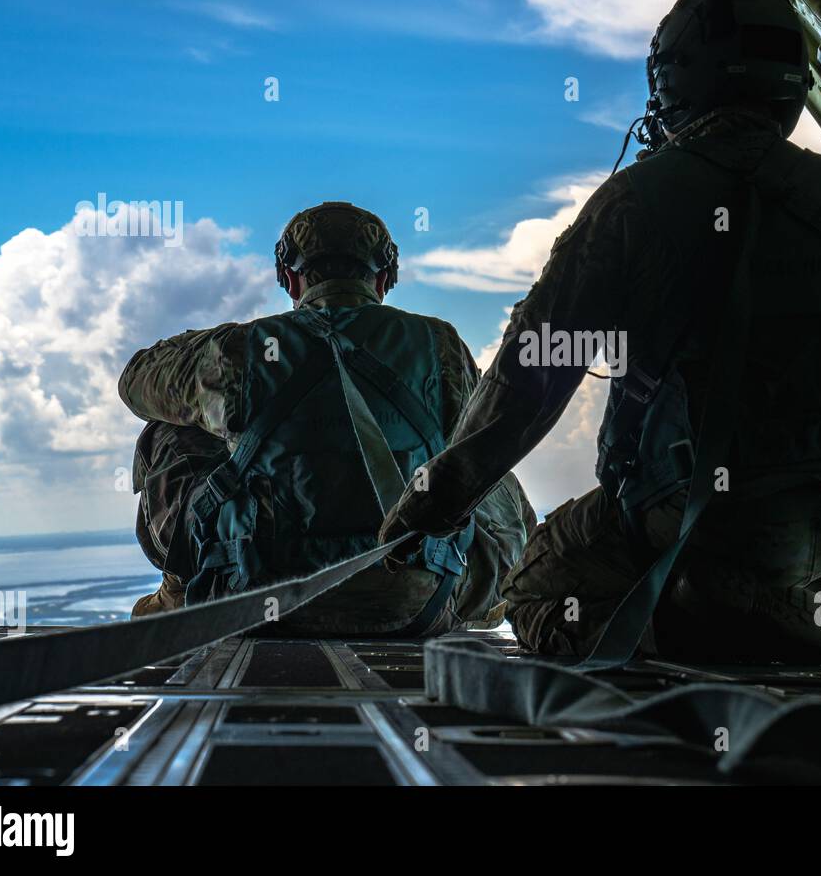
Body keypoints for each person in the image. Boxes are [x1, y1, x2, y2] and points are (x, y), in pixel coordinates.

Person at [379, 0, 821, 662]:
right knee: (785, 533)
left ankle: (692, 622)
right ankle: (815, 609)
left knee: (535, 587)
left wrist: (431, 501)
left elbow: (528, 381)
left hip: (707, 511)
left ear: (674, 81)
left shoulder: (631, 204)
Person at [120, 201, 534, 636]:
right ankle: (490, 597)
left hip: (255, 598)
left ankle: (179, 592)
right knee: (488, 465)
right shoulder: (440, 344)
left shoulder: (241, 350)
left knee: (165, 432)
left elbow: (135, 384)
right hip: (416, 604)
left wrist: (213, 350)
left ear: (289, 278)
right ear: (385, 277)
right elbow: (487, 445)